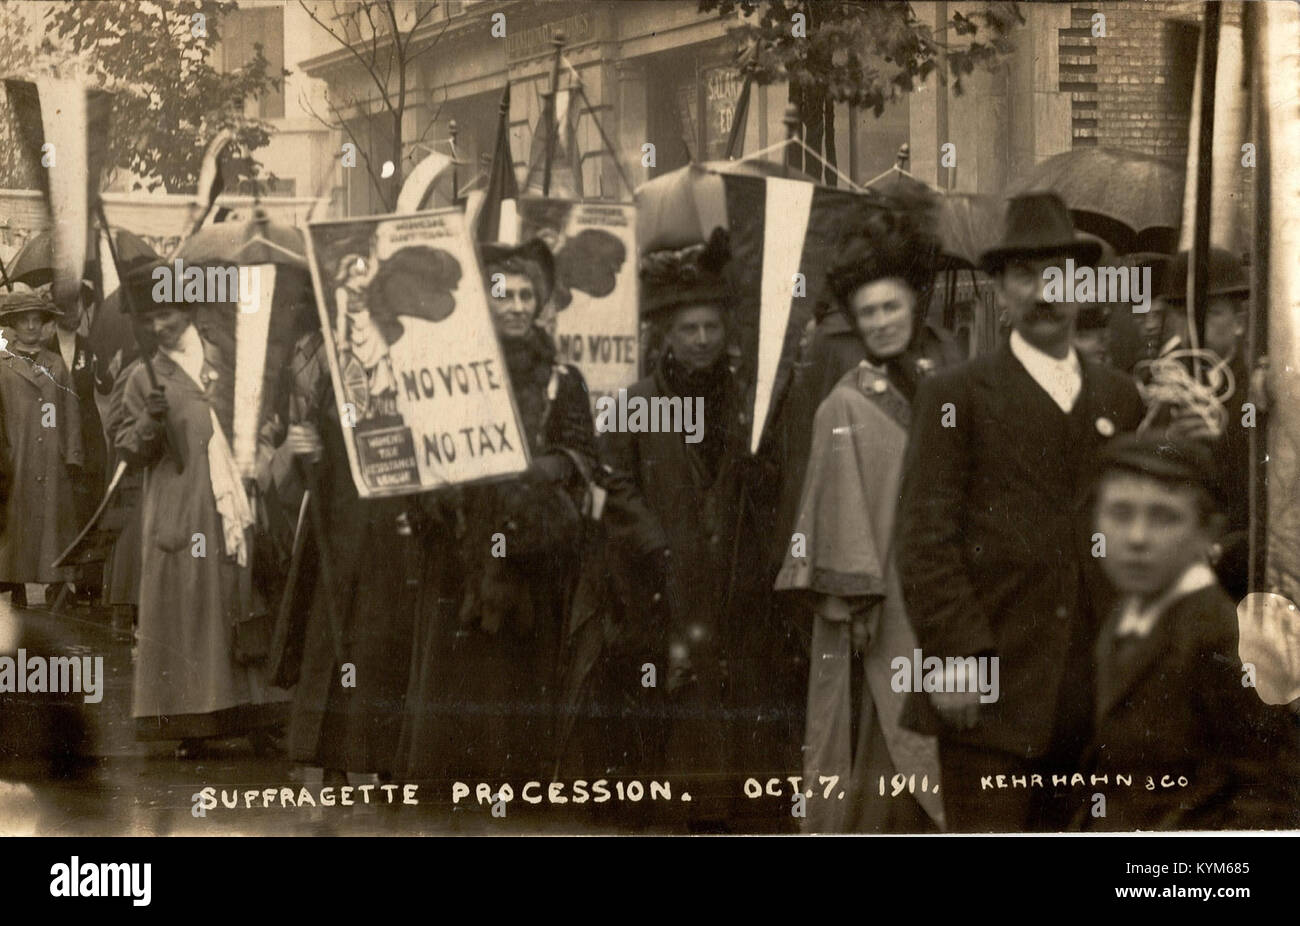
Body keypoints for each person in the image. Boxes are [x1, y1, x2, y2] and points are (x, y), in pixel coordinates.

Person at [895, 192, 1147, 832]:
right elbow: (926, 538)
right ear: (1001, 291)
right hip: (992, 694)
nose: (1044, 292)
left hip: (1090, 694)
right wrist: (954, 657)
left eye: (1058, 274)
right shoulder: (954, 395)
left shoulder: (1119, 397)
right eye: (1025, 276)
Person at [775, 221, 955, 834]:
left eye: (892, 306)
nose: (881, 321)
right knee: (884, 736)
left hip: (946, 591)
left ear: (914, 306)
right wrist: (858, 594)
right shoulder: (844, 404)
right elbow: (837, 508)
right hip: (883, 601)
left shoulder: (948, 388)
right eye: (868, 312)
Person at [600, 229, 782, 829]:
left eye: (711, 328)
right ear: (666, 336)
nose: (702, 340)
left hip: (734, 587)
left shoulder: (744, 404)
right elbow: (617, 486)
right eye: (688, 330)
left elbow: (770, 483)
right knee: (674, 713)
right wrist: (653, 539)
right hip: (662, 590)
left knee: (736, 715)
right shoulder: (636, 402)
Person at [399, 238, 597, 783]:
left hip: (529, 548)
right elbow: (421, 453)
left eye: (526, 294)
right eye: (502, 294)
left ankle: (521, 782)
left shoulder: (563, 380)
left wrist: (543, 472)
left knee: (518, 668)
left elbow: (582, 454)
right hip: (461, 547)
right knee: (459, 666)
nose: (515, 305)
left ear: (540, 303)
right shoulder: (450, 374)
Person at [1081, 433, 1300, 830]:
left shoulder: (1227, 641)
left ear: (1207, 533)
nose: (1137, 538)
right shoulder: (1128, 613)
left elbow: (1268, 801)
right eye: (1120, 513)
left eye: (1164, 517)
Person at [114, 267, 287, 757]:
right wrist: (150, 417)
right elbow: (128, 451)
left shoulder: (222, 361)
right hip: (181, 510)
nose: (157, 326)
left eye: (165, 314)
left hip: (230, 502)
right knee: (189, 611)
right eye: (148, 319)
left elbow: (252, 414)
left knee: (240, 600)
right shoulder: (143, 376)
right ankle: (192, 719)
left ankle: (255, 712)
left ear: (187, 309)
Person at [265, 324, 445, 784]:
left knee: (389, 644)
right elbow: (314, 457)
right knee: (337, 638)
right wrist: (308, 450)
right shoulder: (336, 378)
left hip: (401, 524)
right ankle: (332, 756)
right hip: (343, 525)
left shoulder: (421, 376)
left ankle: (387, 758)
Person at [0, 291, 84, 608]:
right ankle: (14, 581)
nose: (32, 326)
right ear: (14, 325)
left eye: (37, 320)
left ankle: (55, 585)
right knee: (17, 521)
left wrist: (73, 454)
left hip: (51, 455)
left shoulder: (56, 364)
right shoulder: (3, 364)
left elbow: (71, 411)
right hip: (16, 454)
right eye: (25, 320)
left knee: (53, 523)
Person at [46, 288, 107, 606]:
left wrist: (104, 368)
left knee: (89, 507)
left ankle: (88, 583)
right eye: (64, 305)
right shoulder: (44, 348)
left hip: (88, 435)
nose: (71, 311)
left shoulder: (89, 347)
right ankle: (57, 583)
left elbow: (105, 384)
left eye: (77, 304)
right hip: (57, 434)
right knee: (59, 507)